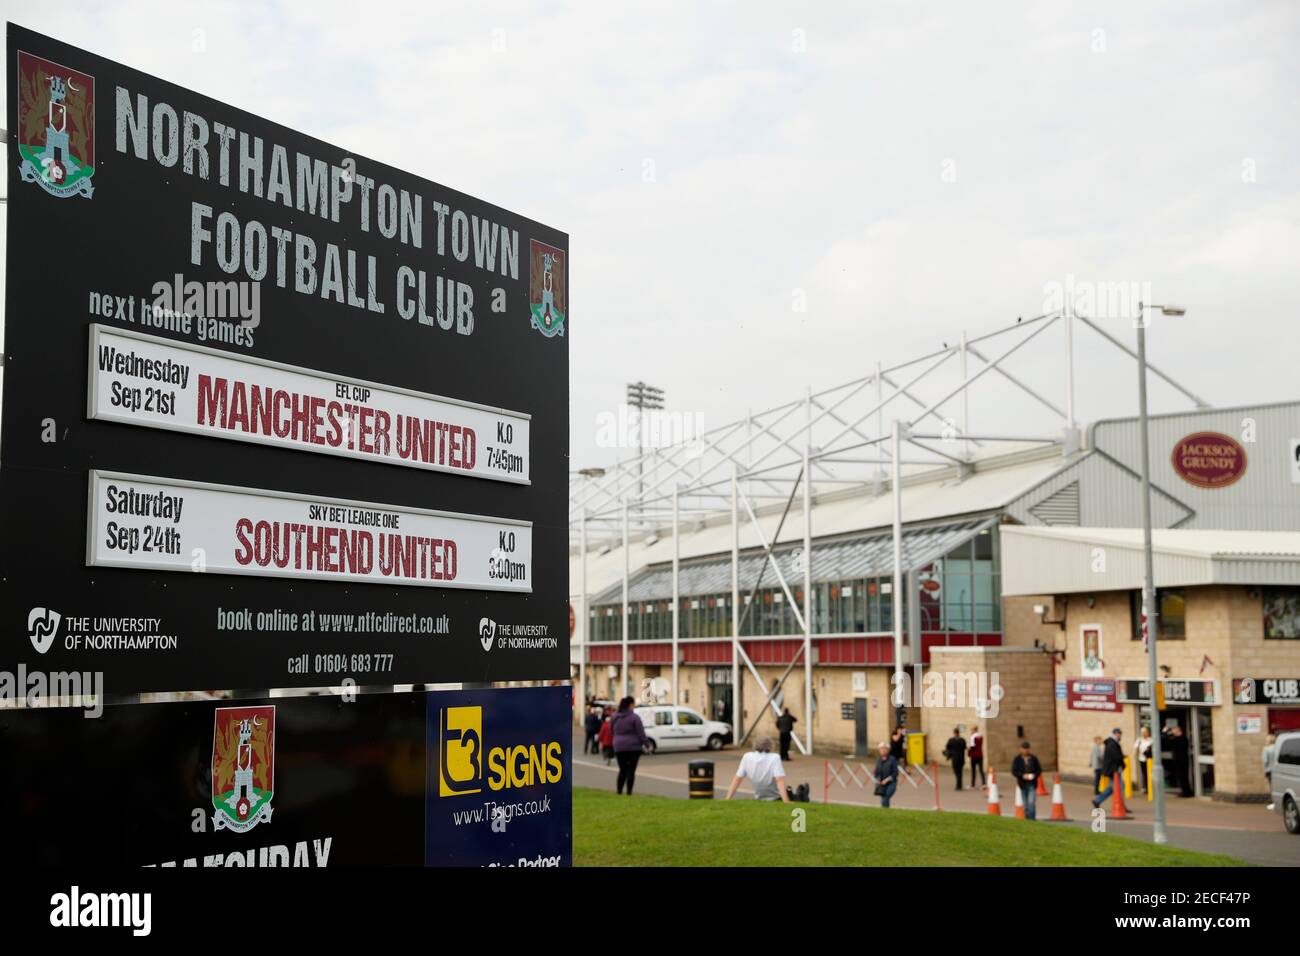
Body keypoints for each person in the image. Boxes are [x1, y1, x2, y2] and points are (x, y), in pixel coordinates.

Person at [725, 736, 791, 802]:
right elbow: (779, 780)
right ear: (771, 746)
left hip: (759, 796)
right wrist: (786, 801)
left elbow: (737, 779)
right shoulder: (775, 757)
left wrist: (728, 799)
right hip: (776, 796)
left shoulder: (747, 756)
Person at [610, 697, 648, 795]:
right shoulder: (634, 717)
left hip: (619, 747)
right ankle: (629, 793)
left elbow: (612, 731)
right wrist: (646, 744)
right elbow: (641, 733)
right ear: (630, 705)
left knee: (622, 770)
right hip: (633, 747)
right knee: (631, 770)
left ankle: (619, 792)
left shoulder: (614, 717)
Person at [1092, 728, 1126, 808]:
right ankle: (1121, 806)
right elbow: (1116, 757)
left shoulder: (1112, 743)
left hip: (1112, 769)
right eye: (1119, 734)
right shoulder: (1112, 744)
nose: (1120, 735)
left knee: (1111, 787)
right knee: (1120, 787)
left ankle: (1097, 800)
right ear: (1115, 734)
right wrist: (1123, 763)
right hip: (1113, 769)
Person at [1011, 740, 1043, 820]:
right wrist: (1022, 775)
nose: (1025, 750)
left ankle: (1032, 819)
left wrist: (1034, 775)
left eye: (1027, 748)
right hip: (1022, 784)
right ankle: (1027, 819)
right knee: (1025, 805)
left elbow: (1039, 770)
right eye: (1024, 748)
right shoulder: (1017, 759)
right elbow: (1014, 771)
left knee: (1031, 803)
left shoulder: (1034, 759)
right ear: (1020, 749)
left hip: (1032, 784)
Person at [1165, 725, 1193, 797]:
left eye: (1174, 730)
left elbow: (1167, 740)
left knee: (1182, 777)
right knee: (1182, 777)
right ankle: (1186, 791)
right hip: (1181, 760)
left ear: (1178, 731)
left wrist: (1165, 732)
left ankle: (1186, 792)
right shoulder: (1181, 738)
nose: (1172, 732)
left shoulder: (1180, 739)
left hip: (1181, 761)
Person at [873, 741, 900, 808]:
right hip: (882, 784)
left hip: (891, 783)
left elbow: (895, 772)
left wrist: (887, 779)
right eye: (881, 749)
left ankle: (885, 811)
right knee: (883, 799)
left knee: (886, 796)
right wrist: (878, 779)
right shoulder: (878, 760)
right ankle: (886, 813)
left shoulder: (892, 760)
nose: (883, 750)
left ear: (888, 750)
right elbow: (876, 772)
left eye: (885, 749)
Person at [1134, 726, 1154, 793]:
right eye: (1144, 732)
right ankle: (1147, 788)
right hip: (1142, 759)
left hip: (1150, 760)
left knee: (1151, 774)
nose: (1146, 733)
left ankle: (1152, 787)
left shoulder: (1151, 739)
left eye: (1147, 732)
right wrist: (1136, 756)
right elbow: (1136, 749)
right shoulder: (1139, 740)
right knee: (1145, 774)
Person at [1262, 734, 1277, 810]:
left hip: (1269, 770)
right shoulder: (1277, 748)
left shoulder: (1266, 749)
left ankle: (1274, 803)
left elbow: (1265, 761)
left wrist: (1265, 771)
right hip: (1278, 770)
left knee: (1272, 786)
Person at [968, 724, 986, 789]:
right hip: (980, 754)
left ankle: (973, 784)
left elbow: (972, 746)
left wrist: (968, 748)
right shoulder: (980, 736)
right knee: (981, 769)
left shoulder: (973, 737)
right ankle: (984, 783)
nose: (971, 731)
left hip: (974, 755)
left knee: (973, 770)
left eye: (972, 730)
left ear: (974, 730)